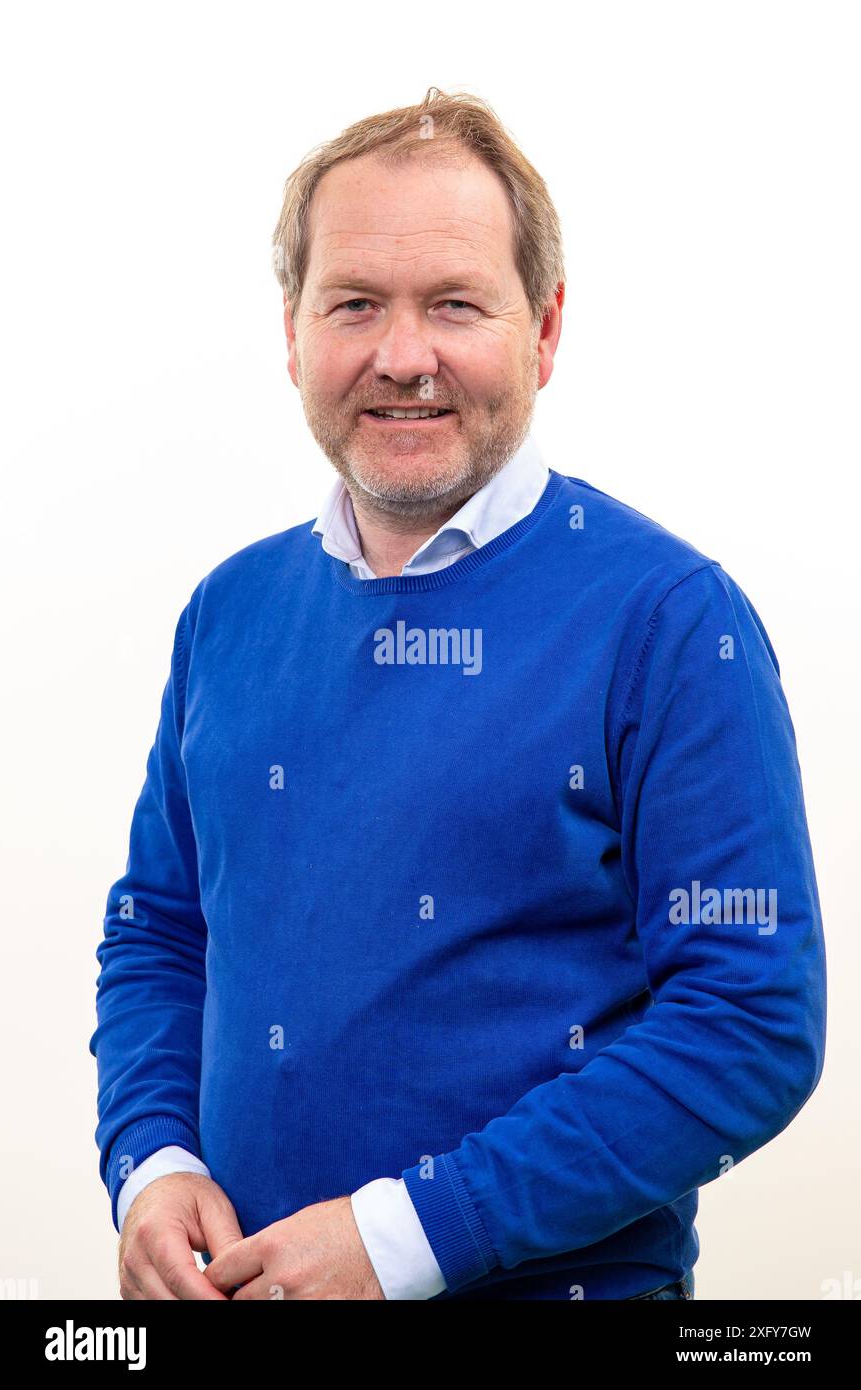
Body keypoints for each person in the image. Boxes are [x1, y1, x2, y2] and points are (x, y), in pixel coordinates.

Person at [90, 87, 826, 1301]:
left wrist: (405, 1240)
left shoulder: (670, 622)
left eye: (454, 305)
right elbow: (163, 936)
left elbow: (747, 1019)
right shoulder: (228, 614)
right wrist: (151, 1160)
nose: (401, 355)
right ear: (291, 331)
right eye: (355, 305)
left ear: (541, 331)